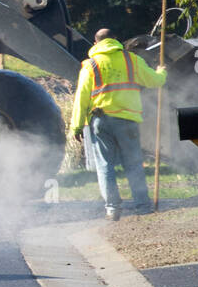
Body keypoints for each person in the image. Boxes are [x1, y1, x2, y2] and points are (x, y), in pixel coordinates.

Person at [67, 28, 168, 220]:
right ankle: (142, 206)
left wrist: (77, 126)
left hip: (101, 121)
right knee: (133, 164)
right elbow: (154, 81)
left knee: (105, 165)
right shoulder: (131, 60)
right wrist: (161, 72)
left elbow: (81, 97)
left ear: (95, 44)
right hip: (128, 120)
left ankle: (112, 208)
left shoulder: (90, 66)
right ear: (115, 40)